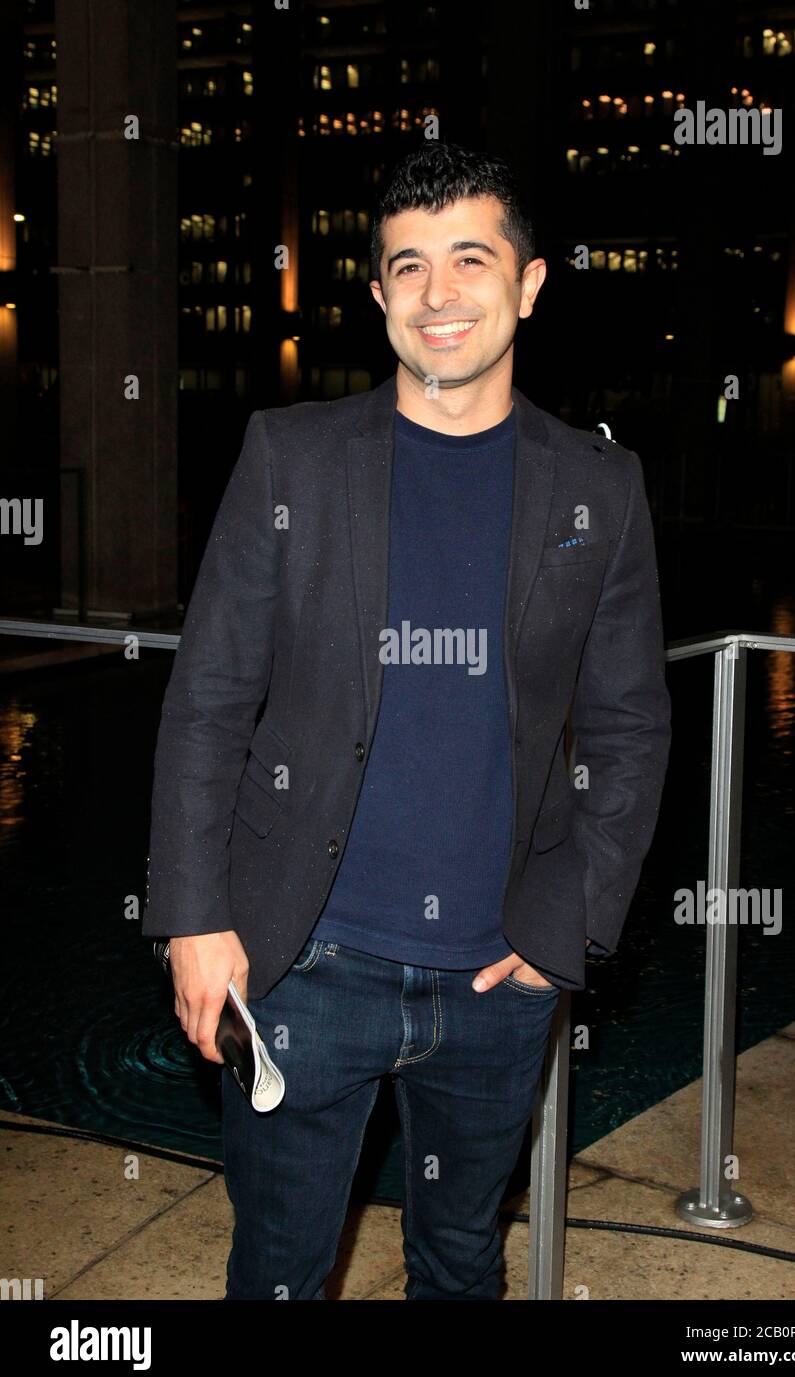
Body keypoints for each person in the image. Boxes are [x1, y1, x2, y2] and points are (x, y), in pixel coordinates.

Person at [141, 142, 671, 1300]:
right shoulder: (290, 459)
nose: (438, 295)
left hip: (496, 976)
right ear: (378, 292)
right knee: (278, 1269)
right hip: (299, 964)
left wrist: (566, 926)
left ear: (527, 284)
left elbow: (630, 726)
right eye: (408, 266)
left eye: (469, 260)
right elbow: (208, 699)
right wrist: (190, 917)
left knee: (459, 1260)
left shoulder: (598, 487)